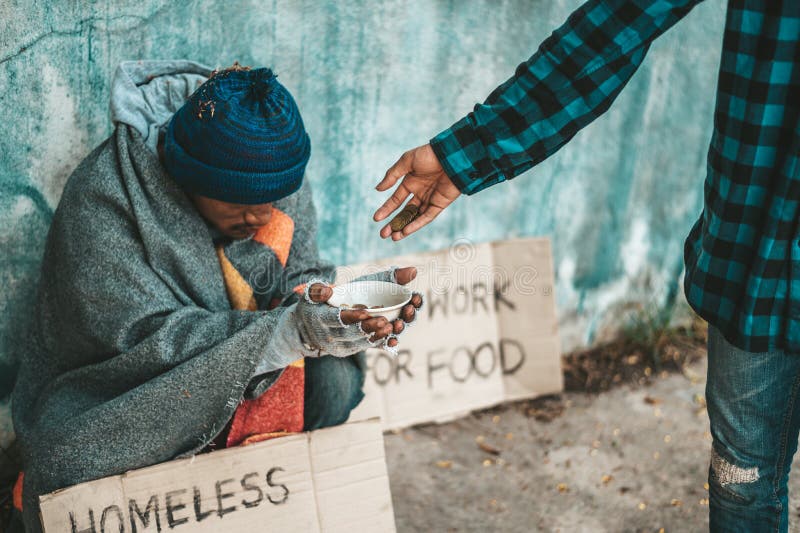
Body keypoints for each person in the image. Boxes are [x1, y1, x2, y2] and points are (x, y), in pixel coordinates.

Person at [374, 1, 798, 531]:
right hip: (764, 255)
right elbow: (620, 19)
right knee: (742, 479)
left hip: (762, 255)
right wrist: (467, 152)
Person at [10, 60, 422, 532]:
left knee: (333, 382)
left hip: (243, 368)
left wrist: (337, 312)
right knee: (84, 463)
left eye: (274, 199)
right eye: (239, 202)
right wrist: (285, 333)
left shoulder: (272, 167)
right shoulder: (104, 198)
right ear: (187, 176)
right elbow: (137, 341)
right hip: (118, 393)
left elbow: (303, 274)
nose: (261, 217)